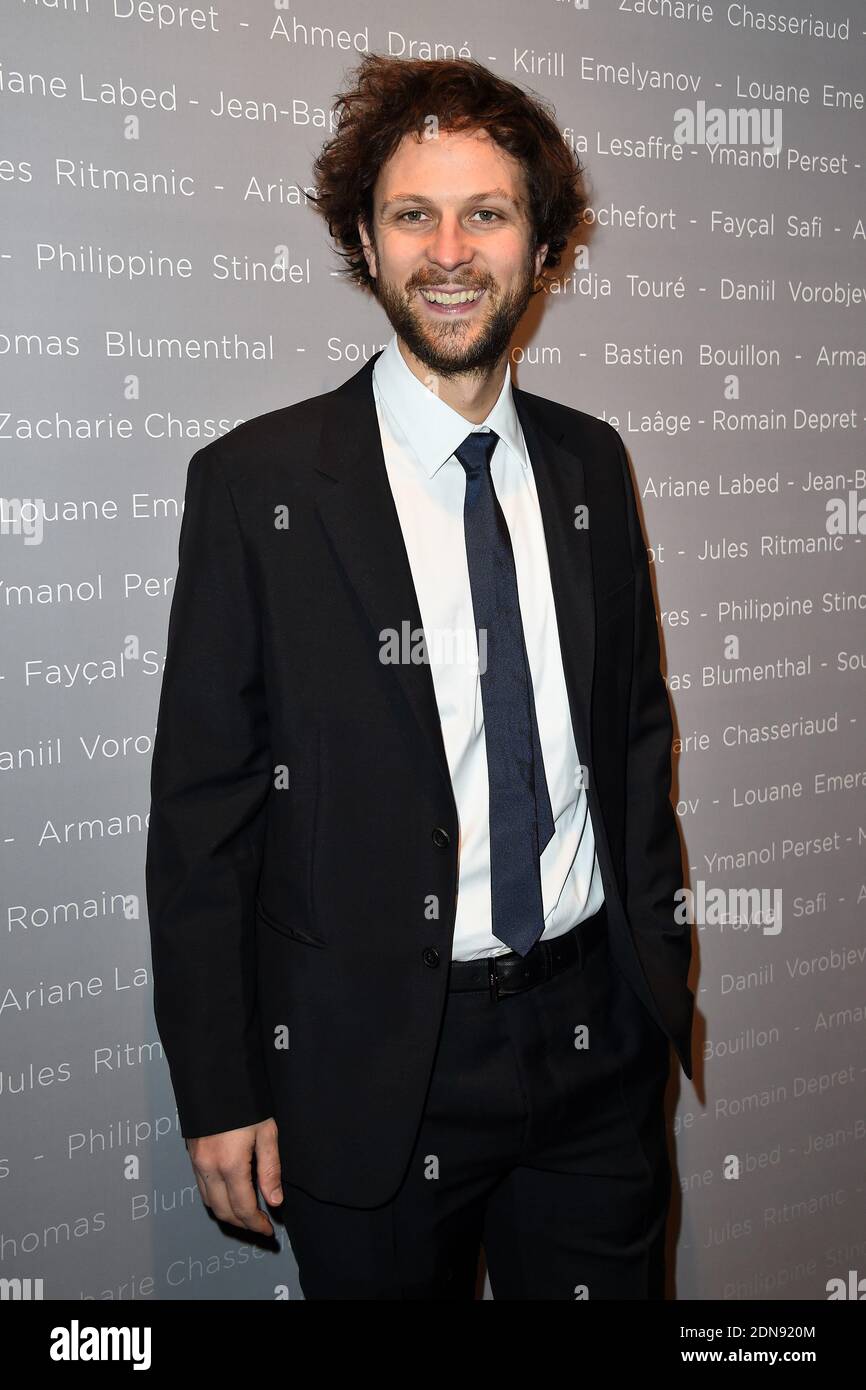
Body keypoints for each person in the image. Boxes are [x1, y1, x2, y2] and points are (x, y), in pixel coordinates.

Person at [145, 53, 695, 1300]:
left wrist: (650, 974)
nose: (449, 251)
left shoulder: (590, 467)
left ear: (539, 243)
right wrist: (223, 1083)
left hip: (593, 1046)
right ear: (366, 239)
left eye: (486, 213)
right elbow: (204, 815)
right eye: (412, 214)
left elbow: (632, 736)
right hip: (373, 1064)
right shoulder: (258, 485)